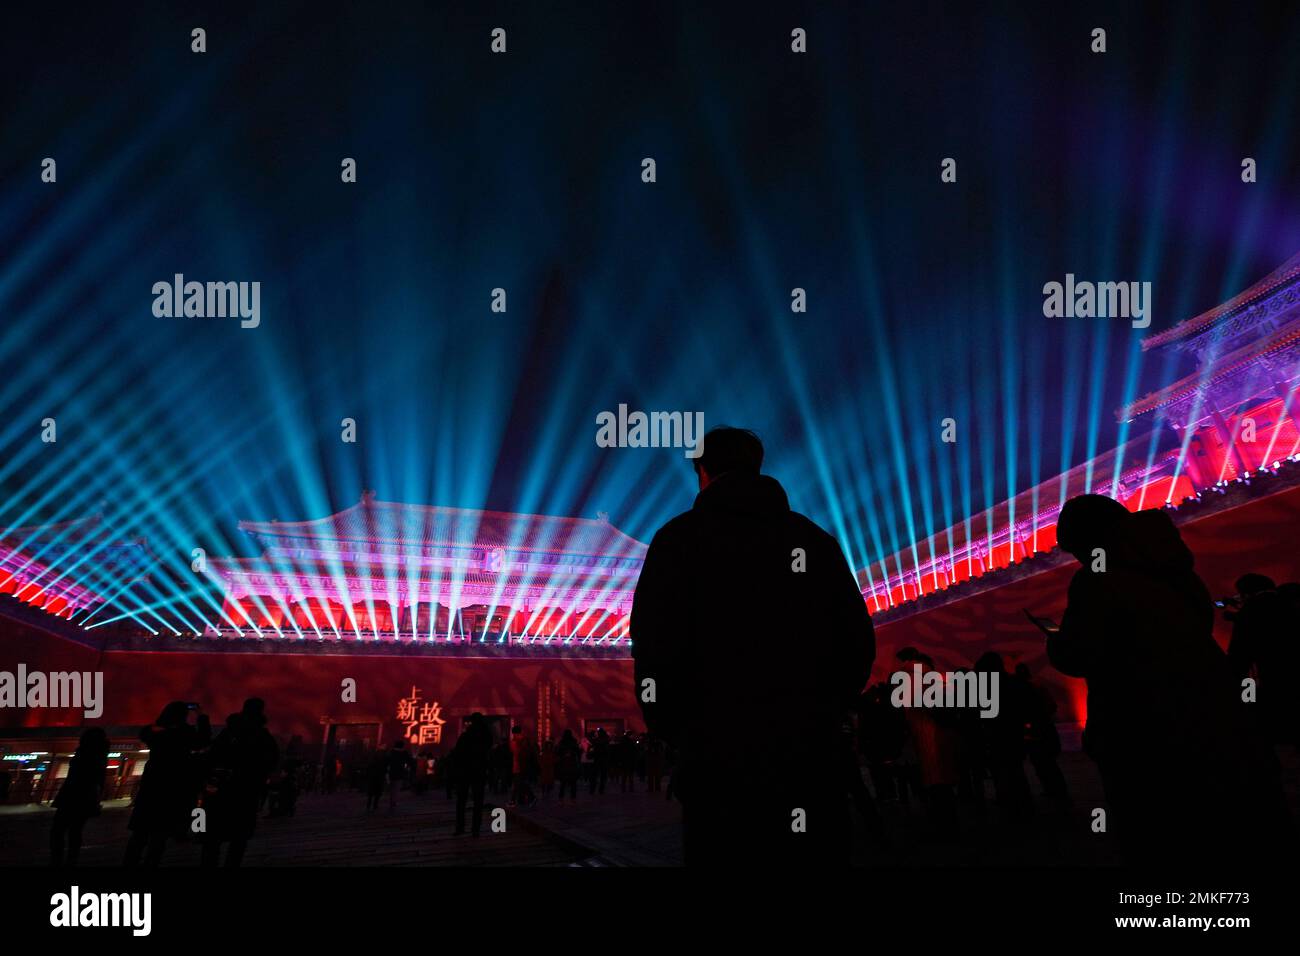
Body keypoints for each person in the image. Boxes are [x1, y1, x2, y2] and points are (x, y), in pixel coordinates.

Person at [632, 426, 874, 865]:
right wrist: (827, 709)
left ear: (702, 471)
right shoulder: (814, 541)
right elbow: (856, 639)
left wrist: (677, 729)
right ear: (757, 466)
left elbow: (653, 647)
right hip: (810, 754)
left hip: (716, 758)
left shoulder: (677, 541)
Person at [1047, 494, 1291, 865]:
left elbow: (1078, 653)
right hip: (1214, 715)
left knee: (1161, 835)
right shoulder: (1176, 569)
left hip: (1141, 730)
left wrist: (1055, 640)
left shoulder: (1097, 579)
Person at [124, 702, 208, 867]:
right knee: (159, 836)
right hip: (172, 788)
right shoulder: (184, 734)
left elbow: (146, 733)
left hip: (151, 787)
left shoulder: (154, 733)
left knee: (139, 835)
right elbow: (203, 740)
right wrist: (202, 718)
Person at [1227, 573, 1300, 748]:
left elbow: (1240, 655)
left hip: (1269, 677)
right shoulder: (1289, 604)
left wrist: (1236, 684)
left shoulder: (1250, 611)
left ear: (1245, 593)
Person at [50, 727, 110, 866]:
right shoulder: (100, 755)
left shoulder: (84, 754)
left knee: (58, 829)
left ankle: (57, 859)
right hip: (85, 798)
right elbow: (98, 780)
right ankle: (71, 860)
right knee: (75, 830)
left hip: (72, 795)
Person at [452, 713, 492, 835]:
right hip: (479, 771)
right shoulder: (486, 736)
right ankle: (476, 829)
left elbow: (457, 753)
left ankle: (460, 828)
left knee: (461, 801)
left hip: (465, 771)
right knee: (478, 801)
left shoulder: (465, 736)